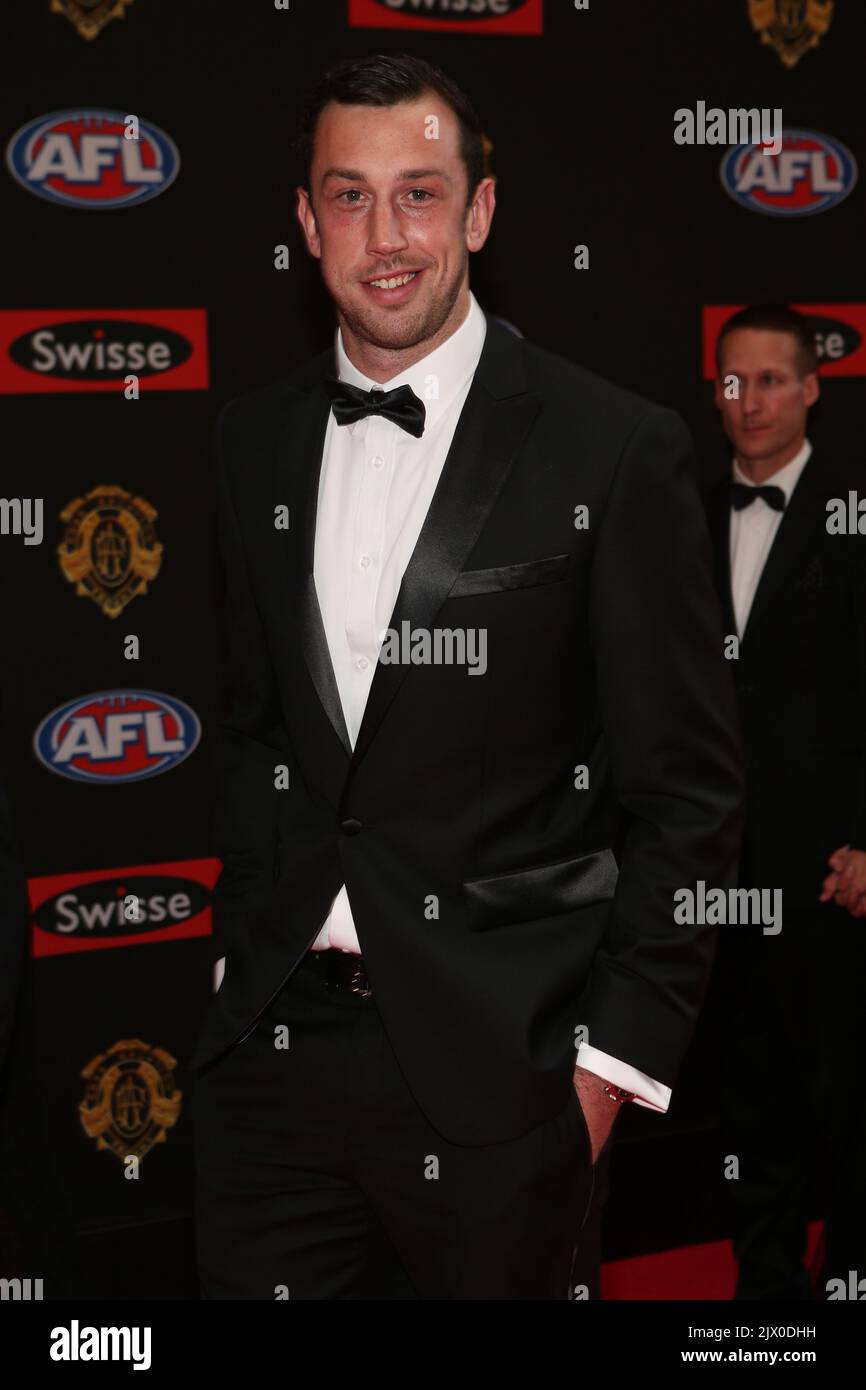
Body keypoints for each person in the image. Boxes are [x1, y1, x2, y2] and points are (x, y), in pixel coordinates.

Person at [190, 52, 743, 1300]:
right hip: (270, 1069)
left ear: (480, 213)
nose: (385, 236)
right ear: (303, 222)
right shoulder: (250, 440)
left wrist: (605, 1077)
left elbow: (687, 797)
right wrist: (234, 962)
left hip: (505, 1085)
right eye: (348, 195)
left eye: (420, 193)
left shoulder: (614, 448)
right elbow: (251, 729)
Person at [704, 303, 866, 1300]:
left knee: (844, 1100)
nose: (749, 399)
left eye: (770, 379)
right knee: (744, 1106)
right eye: (732, 381)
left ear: (810, 388)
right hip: (717, 881)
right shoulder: (678, 515)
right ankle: (764, 1297)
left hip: (829, 875)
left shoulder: (853, 512)